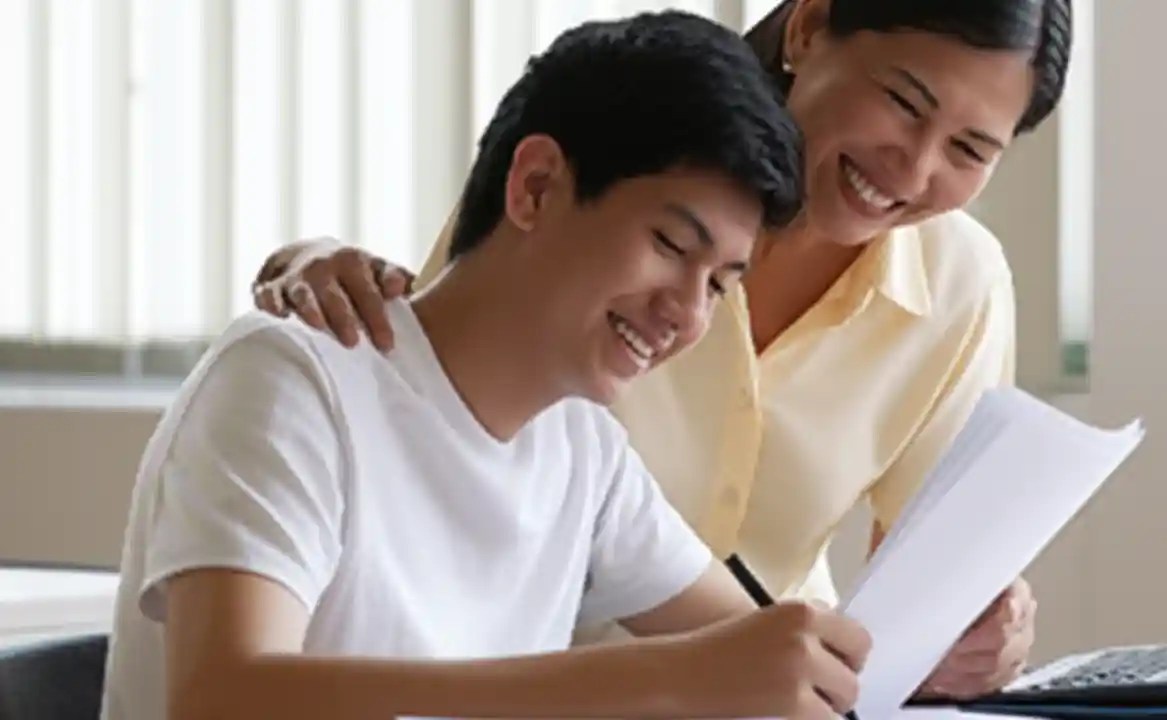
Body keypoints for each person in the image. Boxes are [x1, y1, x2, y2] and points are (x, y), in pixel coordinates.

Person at [254, 0, 1071, 701]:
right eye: (903, 100)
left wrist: (966, 639)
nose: (917, 165)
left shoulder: (962, 285)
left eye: (970, 150)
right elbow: (427, 370)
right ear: (811, 26)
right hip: (499, 688)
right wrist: (309, 265)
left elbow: (914, 600)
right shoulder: (619, 175)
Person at [101, 11, 874, 720]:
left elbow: (765, 657)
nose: (688, 314)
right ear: (535, 186)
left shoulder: (584, 451)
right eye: (671, 246)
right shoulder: (292, 381)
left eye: (718, 285)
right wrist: (662, 678)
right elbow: (223, 697)